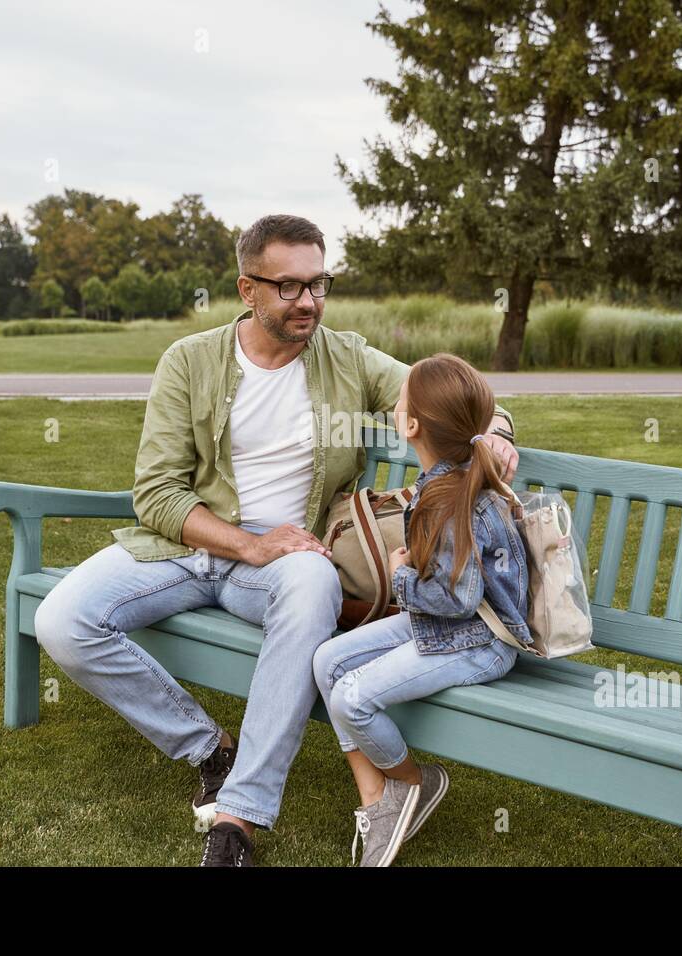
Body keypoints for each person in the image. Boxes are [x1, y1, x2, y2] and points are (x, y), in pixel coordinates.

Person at [31, 214, 521, 866]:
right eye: (289, 287)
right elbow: (155, 494)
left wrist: (496, 432)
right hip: (189, 544)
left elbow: (450, 399)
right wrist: (244, 543)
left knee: (313, 581)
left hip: (290, 558)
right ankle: (208, 748)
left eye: (318, 284)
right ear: (247, 289)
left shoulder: (345, 357)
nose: (308, 301)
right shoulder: (189, 361)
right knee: (61, 619)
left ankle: (239, 817)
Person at [312, 353, 534, 867]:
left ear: (409, 425)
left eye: (401, 397)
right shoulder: (445, 481)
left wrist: (400, 579)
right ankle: (385, 798)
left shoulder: (450, 499)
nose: (395, 402)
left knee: (350, 699)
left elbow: (457, 598)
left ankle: (413, 783)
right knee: (326, 661)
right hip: (445, 628)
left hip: (481, 642)